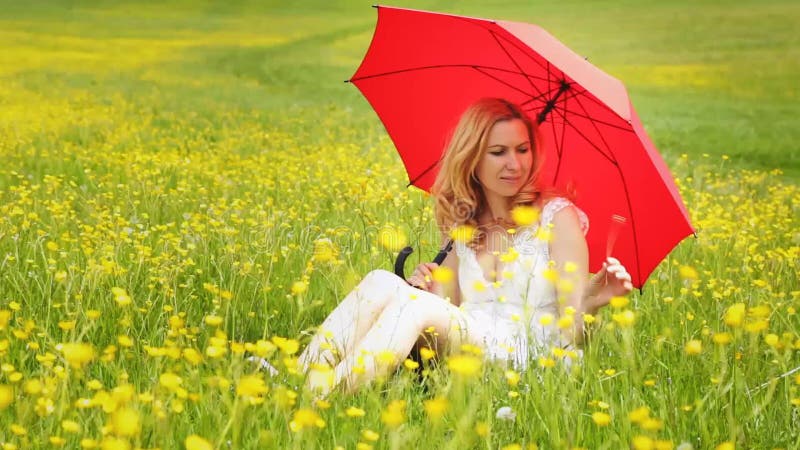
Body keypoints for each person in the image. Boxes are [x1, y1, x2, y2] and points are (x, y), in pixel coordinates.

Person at [295, 98, 633, 393]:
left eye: (522, 149)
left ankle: (322, 397)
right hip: (467, 348)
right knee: (382, 280)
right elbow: (447, 307)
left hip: (529, 358)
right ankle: (299, 378)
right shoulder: (463, 221)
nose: (515, 164)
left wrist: (592, 303)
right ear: (471, 157)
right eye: (498, 152)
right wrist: (426, 287)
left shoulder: (557, 218)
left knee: (413, 306)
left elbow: (572, 333)